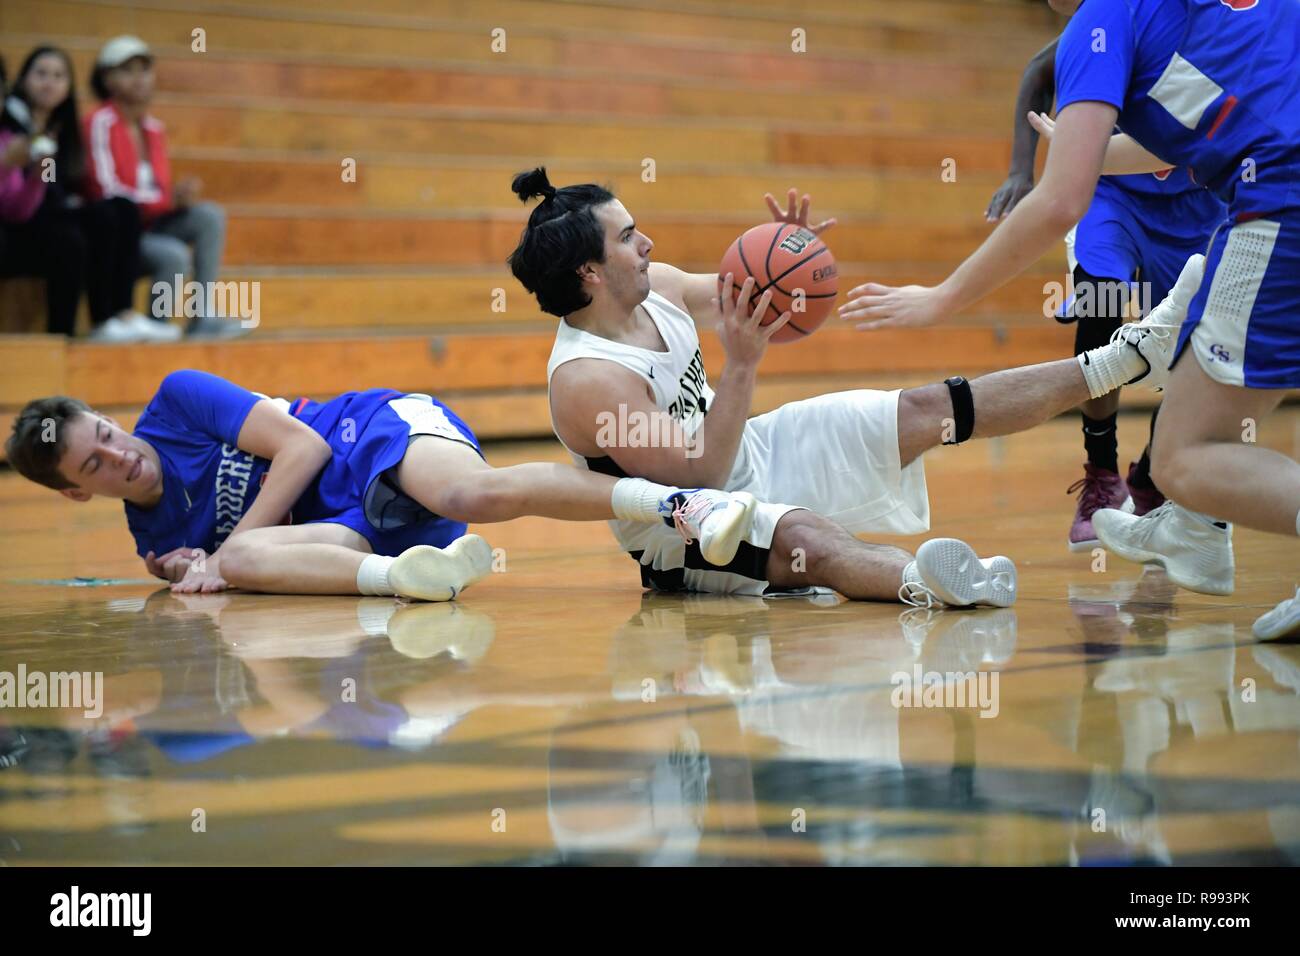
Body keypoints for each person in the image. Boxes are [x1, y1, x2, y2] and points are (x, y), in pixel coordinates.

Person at [508, 167, 1200, 605]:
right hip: (686, 532)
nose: (649, 244)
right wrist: (743, 367)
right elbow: (700, 473)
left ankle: (1126, 358)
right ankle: (932, 584)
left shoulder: (652, 288)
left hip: (740, 448)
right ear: (591, 275)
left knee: (926, 407)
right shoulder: (588, 382)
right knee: (813, 540)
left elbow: (740, 298)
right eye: (629, 237)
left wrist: (786, 258)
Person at [841, 0, 1300, 640]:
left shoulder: (1100, 19)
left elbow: (1060, 202)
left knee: (1188, 456)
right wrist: (1083, 148)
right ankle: (1192, 529)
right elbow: (1219, 111)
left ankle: (1186, 517)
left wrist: (941, 297)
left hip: (1280, 198)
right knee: (1188, 414)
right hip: (1260, 187)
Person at [4, 369, 759, 600]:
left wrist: (228, 547)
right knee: (237, 567)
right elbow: (258, 563)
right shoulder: (154, 540)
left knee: (474, 495)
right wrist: (195, 572)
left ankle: (678, 503)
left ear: (107, 415)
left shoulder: (176, 402)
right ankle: (409, 578)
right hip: (359, 528)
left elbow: (297, 448)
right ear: (76, 493)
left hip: (362, 436)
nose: (119, 456)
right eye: (93, 465)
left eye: (104, 433)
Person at [986, 34, 1225, 551]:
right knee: (1102, 301)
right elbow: (1037, 68)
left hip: (1197, 203)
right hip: (1110, 194)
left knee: (1198, 343)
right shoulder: (1113, 19)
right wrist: (1019, 171)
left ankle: (1152, 475)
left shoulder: (1219, 29)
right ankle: (1101, 474)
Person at [84, 36, 244, 339]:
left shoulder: (154, 129)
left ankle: (202, 316)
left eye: (144, 70)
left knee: (209, 215)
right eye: (127, 70)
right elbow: (105, 191)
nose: (139, 78)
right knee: (173, 255)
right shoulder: (99, 121)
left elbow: (157, 190)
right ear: (107, 78)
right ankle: (153, 327)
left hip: (150, 224)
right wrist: (167, 201)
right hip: (118, 233)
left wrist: (176, 199)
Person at [0, 46, 156, 341]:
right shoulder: (10, 125)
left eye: (59, 76)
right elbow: (22, 201)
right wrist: (28, 167)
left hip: (52, 209)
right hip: (23, 221)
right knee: (71, 236)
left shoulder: (63, 128)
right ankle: (67, 333)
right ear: (22, 80)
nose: (49, 83)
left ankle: (115, 314)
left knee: (120, 208)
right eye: (41, 74)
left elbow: (59, 183)